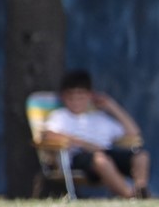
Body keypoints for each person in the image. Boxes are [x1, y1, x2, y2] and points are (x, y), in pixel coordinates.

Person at [45, 69, 151, 199]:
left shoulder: (100, 118)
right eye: (70, 97)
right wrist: (85, 145)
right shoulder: (60, 116)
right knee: (100, 160)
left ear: (90, 96)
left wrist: (112, 106)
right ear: (63, 97)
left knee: (141, 156)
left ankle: (141, 189)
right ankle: (130, 196)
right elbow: (49, 135)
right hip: (79, 158)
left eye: (81, 97)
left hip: (106, 153)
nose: (75, 101)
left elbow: (134, 134)